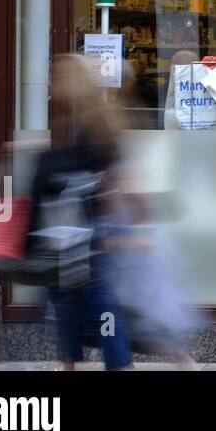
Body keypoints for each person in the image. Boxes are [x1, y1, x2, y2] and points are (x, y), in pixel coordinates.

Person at [30, 54, 134, 371]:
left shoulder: (89, 119)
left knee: (90, 298)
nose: (52, 85)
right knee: (68, 298)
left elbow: (85, 166)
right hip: (73, 225)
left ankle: (117, 363)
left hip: (82, 225)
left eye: (58, 78)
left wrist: (43, 161)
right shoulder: (80, 116)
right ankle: (79, 363)